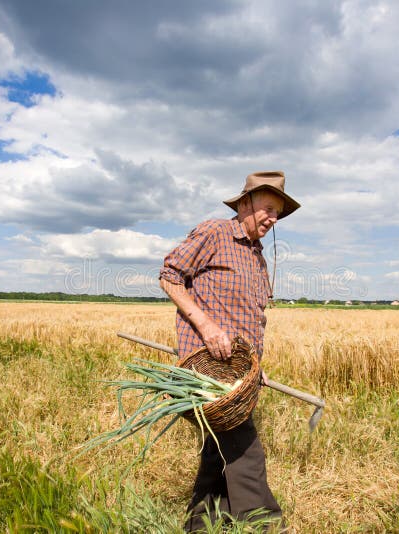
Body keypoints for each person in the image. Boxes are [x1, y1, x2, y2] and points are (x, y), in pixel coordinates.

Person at [159, 170, 300, 532]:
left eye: (278, 213)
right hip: (207, 374)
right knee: (246, 454)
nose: (273, 218)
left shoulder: (256, 256)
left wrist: (254, 368)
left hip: (237, 376)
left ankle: (200, 524)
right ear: (245, 203)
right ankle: (263, 525)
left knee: (218, 452)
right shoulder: (215, 233)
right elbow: (169, 276)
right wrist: (206, 327)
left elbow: (248, 320)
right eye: (268, 208)